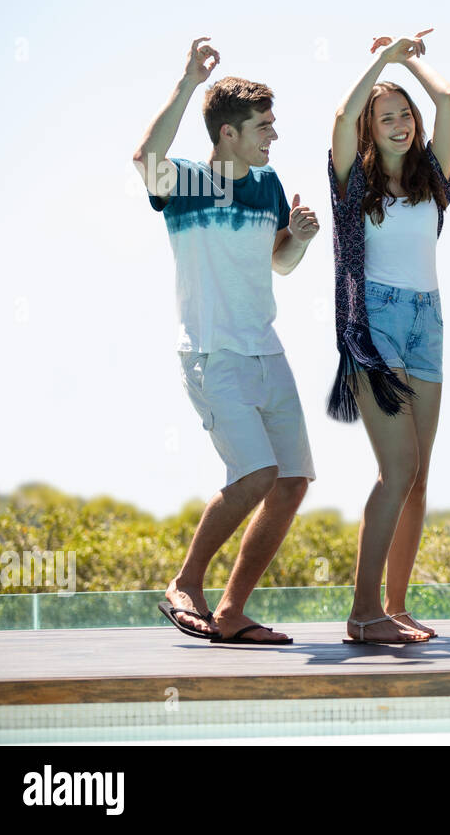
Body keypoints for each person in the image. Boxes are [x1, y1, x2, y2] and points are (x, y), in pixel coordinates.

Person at [134, 37, 318, 645]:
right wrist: (189, 82)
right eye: (263, 127)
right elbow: (144, 156)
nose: (272, 137)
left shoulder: (267, 185)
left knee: (291, 480)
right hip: (212, 355)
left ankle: (232, 611)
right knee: (256, 474)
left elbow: (280, 264)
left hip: (267, 351)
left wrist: (300, 237)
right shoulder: (184, 181)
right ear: (229, 134)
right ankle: (185, 583)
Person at [327, 30, 450, 645]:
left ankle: (394, 607)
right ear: (370, 130)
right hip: (373, 323)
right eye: (387, 118)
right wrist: (379, 61)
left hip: (427, 320)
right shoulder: (353, 181)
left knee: (419, 476)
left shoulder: (434, 175)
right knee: (397, 469)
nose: (400, 124)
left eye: (404, 113)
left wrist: (411, 63)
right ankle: (362, 612)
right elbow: (342, 113)